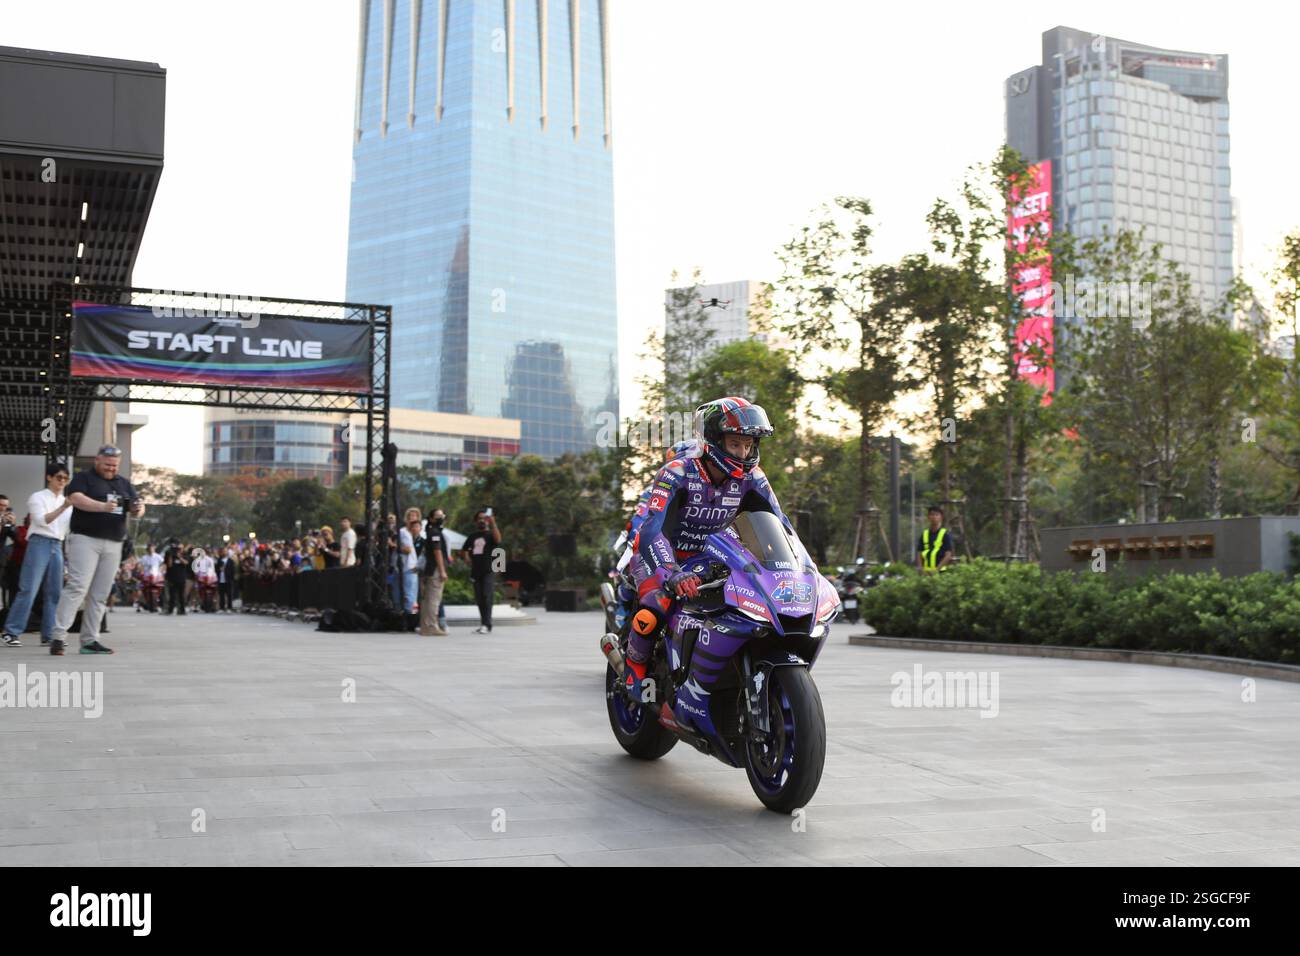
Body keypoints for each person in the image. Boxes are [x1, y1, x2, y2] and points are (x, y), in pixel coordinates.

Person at [622, 397, 792, 703]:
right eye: (735, 444)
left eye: (748, 445)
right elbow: (651, 530)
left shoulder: (754, 477)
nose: (744, 453)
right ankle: (634, 669)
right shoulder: (677, 471)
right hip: (662, 554)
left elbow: (780, 524)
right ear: (713, 440)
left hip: (710, 559)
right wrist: (671, 572)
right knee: (656, 605)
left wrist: (798, 567)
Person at [48, 445, 144, 655]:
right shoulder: (84, 478)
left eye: (115, 465)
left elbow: (137, 505)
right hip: (85, 539)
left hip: (114, 542)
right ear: (97, 460)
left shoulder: (124, 483)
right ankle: (58, 636)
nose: (111, 468)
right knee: (77, 587)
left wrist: (138, 509)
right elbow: (75, 498)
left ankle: (90, 640)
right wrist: (102, 506)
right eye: (107, 464)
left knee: (100, 593)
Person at [2, 463, 73, 647]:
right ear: (49, 477)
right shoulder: (38, 497)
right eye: (59, 477)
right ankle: (11, 631)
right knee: (29, 588)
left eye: (66, 478)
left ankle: (49, 634)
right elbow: (41, 520)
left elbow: (67, 529)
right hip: (39, 542)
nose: (62, 481)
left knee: (54, 592)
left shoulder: (66, 502)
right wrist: (63, 507)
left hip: (57, 544)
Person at [460, 510, 501, 634]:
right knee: (479, 598)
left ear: (488, 520)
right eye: (479, 518)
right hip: (476, 571)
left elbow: (498, 540)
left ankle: (487, 624)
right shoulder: (472, 536)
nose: (482, 520)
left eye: (484, 518)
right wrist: (466, 557)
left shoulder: (491, 535)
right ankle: (484, 624)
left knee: (487, 596)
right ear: (476, 521)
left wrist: (493, 523)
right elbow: (464, 549)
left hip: (489, 570)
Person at [419, 508, 450, 636]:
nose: (441, 518)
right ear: (431, 519)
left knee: (427, 599)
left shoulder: (431, 532)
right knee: (434, 599)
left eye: (442, 515)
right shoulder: (435, 533)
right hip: (435, 569)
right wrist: (442, 571)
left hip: (430, 569)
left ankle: (425, 626)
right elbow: (437, 552)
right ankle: (432, 625)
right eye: (438, 516)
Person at [917, 506, 955, 574]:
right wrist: (920, 568)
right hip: (926, 573)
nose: (934, 517)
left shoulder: (945, 534)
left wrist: (936, 570)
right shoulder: (924, 534)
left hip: (941, 573)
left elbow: (948, 555)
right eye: (931, 514)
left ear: (941, 517)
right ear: (928, 517)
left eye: (936, 515)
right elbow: (919, 552)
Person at [399, 508, 421, 614]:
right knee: (408, 594)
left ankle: (413, 616)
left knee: (413, 594)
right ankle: (408, 616)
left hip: (414, 565)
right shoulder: (402, 532)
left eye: (414, 516)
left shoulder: (418, 534)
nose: (412, 518)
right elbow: (405, 549)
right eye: (410, 516)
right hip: (406, 566)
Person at [164, 538, 188, 615]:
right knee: (172, 595)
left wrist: (179, 557)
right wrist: (171, 555)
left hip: (181, 578)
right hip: (172, 577)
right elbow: (169, 565)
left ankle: (182, 610)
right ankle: (170, 610)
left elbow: (186, 563)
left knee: (181, 595)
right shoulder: (168, 553)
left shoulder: (184, 553)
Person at [138, 543, 164, 612]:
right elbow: (140, 566)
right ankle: (140, 604)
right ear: (147, 549)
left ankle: (159, 604)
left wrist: (161, 571)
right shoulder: (144, 557)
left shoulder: (158, 557)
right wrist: (141, 572)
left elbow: (163, 564)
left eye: (152, 548)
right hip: (146, 576)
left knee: (161, 588)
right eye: (149, 548)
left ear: (154, 548)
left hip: (156, 576)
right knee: (142, 588)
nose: (151, 549)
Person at [216, 546, 236, 612]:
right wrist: (219, 570)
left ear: (227, 552)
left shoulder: (231, 561)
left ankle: (229, 607)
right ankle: (222, 608)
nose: (224, 552)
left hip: (228, 580)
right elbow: (216, 570)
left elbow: (233, 571)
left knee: (229, 594)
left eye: (225, 551)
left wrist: (230, 578)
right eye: (223, 551)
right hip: (221, 580)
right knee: (221, 594)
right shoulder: (219, 560)